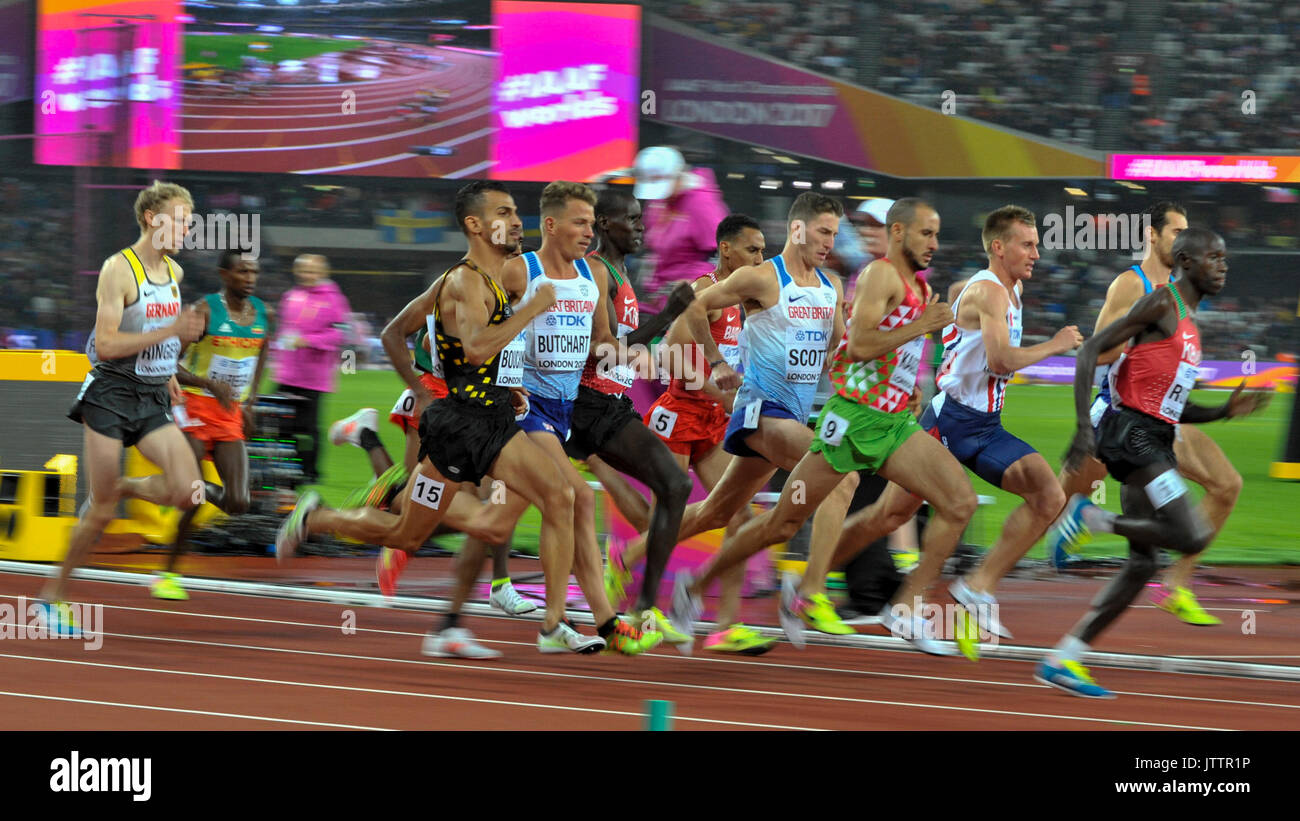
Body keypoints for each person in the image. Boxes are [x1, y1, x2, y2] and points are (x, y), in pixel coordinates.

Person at [276, 181, 611, 656]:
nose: (516, 221)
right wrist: (424, 393)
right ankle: (319, 518)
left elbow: (439, 341)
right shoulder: (463, 280)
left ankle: (552, 625)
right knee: (407, 533)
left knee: (559, 498)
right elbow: (468, 347)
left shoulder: (494, 278)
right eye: (504, 213)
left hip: (491, 420)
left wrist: (507, 384)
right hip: (458, 430)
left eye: (517, 212)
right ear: (475, 225)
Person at [1042, 227, 1268, 697]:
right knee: (1192, 535)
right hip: (1134, 439)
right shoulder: (1162, 304)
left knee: (1142, 566)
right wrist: (1084, 427)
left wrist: (1225, 411)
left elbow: (1175, 406)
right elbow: (1088, 351)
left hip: (1155, 438)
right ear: (1185, 260)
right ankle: (1089, 516)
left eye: (1225, 258)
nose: (1223, 265)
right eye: (1214, 257)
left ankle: (1064, 658)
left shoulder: (1189, 325)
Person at [456, 181, 665, 656]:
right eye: (579, 222)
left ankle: (409, 510)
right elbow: (475, 329)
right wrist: (503, 374)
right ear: (550, 225)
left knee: (503, 518)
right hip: (523, 412)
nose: (589, 232)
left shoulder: (595, 278)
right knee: (571, 497)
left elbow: (605, 345)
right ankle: (585, 623)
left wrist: (650, 353)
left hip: (566, 412)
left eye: (592, 223)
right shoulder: (517, 271)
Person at [766, 198, 978, 655]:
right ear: (898, 231)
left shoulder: (916, 284)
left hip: (892, 420)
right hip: (851, 416)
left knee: (957, 503)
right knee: (782, 522)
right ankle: (745, 585)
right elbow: (859, 344)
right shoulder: (877, 274)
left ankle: (902, 607)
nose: (935, 243)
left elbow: (893, 351)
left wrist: (910, 386)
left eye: (937, 234)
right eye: (927, 233)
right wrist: (923, 326)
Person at [666, 192, 860, 645]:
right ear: (797, 230)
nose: (830, 241)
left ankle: (675, 583)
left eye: (835, 233)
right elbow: (692, 306)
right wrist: (716, 364)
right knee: (841, 475)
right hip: (758, 410)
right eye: (823, 231)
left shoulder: (830, 286)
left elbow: (840, 353)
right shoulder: (763, 277)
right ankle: (810, 593)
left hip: (790, 412)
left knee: (729, 515)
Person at [1055, 201, 1241, 627]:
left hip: (1162, 418)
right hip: (1122, 411)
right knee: (1052, 500)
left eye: (1186, 233)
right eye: (1176, 232)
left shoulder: (1186, 294)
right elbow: (1099, 353)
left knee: (1226, 485)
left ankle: (1173, 586)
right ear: (1152, 237)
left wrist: (1183, 379)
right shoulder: (1132, 286)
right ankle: (987, 582)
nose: (1183, 240)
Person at [907, 206, 1083, 653]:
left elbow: (960, 310)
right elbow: (1000, 359)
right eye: (1028, 244)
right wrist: (1057, 346)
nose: (1037, 253)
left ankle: (976, 587)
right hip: (948, 422)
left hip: (983, 426)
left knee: (1049, 495)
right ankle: (823, 588)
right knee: (889, 515)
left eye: (1037, 243)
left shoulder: (1009, 288)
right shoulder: (990, 292)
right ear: (999, 247)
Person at [43, 181, 207, 631]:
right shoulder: (118, 270)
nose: (186, 230)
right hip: (111, 395)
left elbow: (158, 335)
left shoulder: (172, 274)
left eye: (189, 223)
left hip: (152, 396)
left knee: (187, 490)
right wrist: (170, 333)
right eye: (180, 221)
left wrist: (169, 369)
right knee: (99, 510)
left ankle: (126, 487)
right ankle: (53, 596)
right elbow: (109, 342)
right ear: (153, 219)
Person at [613, 214, 777, 654]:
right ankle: (634, 610)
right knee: (666, 514)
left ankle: (726, 625)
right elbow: (667, 356)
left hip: (713, 419)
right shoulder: (703, 293)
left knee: (739, 516)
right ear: (727, 249)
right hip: (678, 414)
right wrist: (719, 393)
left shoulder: (747, 300)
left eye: (763, 251)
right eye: (752, 249)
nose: (761, 258)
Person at [556, 187, 700, 651]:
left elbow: (622, 345)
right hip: (587, 404)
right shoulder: (598, 271)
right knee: (673, 487)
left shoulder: (620, 272)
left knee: (669, 489)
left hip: (608, 404)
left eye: (642, 219)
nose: (641, 226)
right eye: (632, 219)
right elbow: (601, 346)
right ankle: (643, 608)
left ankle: (639, 608)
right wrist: (668, 316)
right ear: (604, 225)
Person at [161, 250, 274, 600]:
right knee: (194, 499)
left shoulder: (263, 315)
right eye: (241, 271)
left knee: (239, 501)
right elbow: (168, 364)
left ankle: (184, 486)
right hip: (192, 407)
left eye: (253, 271)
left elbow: (259, 359)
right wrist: (208, 384)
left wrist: (251, 403)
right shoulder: (204, 311)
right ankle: (167, 574)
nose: (250, 278)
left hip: (229, 414)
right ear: (224, 274)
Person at [271, 254, 352, 484]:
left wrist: (307, 340)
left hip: (313, 376)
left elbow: (340, 333)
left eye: (312, 271)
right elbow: (283, 330)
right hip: (287, 373)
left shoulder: (334, 299)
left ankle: (310, 471)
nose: (307, 275)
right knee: (281, 425)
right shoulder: (290, 296)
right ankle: (287, 468)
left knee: (307, 427)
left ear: (322, 273)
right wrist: (279, 348)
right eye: (303, 271)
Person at [634, 146, 730, 312]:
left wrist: (693, 283)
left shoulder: (701, 204)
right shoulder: (658, 202)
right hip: (660, 301)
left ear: (679, 177)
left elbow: (724, 255)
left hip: (694, 303)